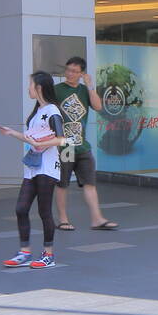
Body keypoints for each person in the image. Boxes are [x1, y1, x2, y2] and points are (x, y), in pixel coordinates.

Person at [0, 72, 65, 269]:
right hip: (32, 167)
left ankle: (48, 254)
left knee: (44, 211)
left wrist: (42, 143)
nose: (28, 88)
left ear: (39, 88)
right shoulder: (36, 112)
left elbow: (61, 139)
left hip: (47, 167)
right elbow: (31, 138)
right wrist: (11, 132)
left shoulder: (52, 110)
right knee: (21, 208)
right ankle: (24, 252)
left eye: (30, 85)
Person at [54, 56, 118, 230]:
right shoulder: (57, 90)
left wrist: (90, 86)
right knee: (63, 183)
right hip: (64, 145)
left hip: (82, 145)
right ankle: (63, 219)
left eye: (75, 71)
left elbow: (98, 107)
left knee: (90, 182)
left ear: (81, 73)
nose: (70, 74)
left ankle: (97, 219)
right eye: (68, 70)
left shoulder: (84, 90)